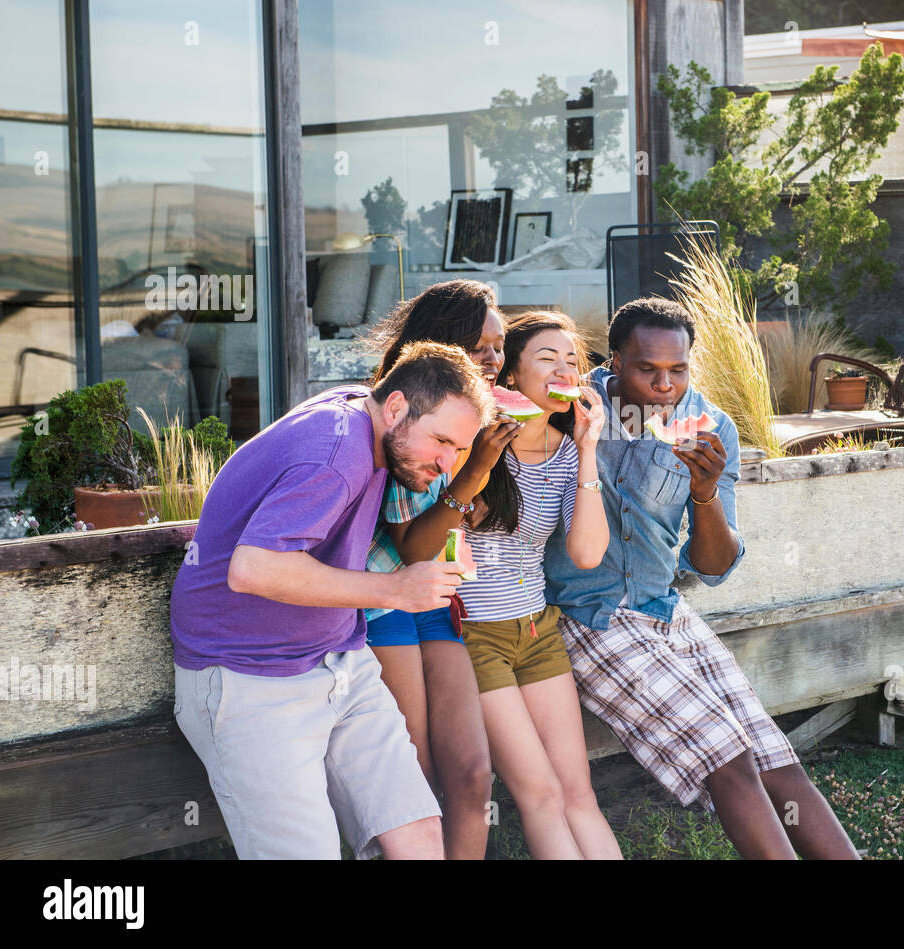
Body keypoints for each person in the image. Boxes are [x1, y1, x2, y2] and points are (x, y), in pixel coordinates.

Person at [544, 296, 859, 860]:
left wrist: (705, 491)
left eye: (678, 369)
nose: (666, 385)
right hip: (592, 618)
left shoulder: (711, 427)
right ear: (614, 361)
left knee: (775, 760)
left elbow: (714, 565)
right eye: (647, 369)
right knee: (728, 759)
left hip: (664, 610)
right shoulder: (569, 407)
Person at [170, 341, 494, 859]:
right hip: (250, 680)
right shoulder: (335, 454)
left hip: (342, 661)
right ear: (395, 408)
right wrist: (395, 588)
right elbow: (253, 567)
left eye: (457, 448)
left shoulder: (362, 413)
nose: (447, 463)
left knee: (419, 839)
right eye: (441, 441)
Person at [360, 280, 518, 859]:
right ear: (445, 346)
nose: (495, 359)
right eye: (481, 347)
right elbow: (413, 549)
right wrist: (473, 476)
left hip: (440, 602)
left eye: (500, 347)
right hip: (386, 602)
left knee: (474, 775)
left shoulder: (482, 415)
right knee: (418, 771)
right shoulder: (407, 422)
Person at [457, 310, 622, 859]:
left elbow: (587, 551)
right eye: (546, 359)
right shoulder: (475, 445)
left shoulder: (569, 451)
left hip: (539, 630)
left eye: (572, 362)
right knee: (542, 793)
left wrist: (589, 449)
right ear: (508, 377)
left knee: (579, 792)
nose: (564, 370)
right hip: (478, 636)